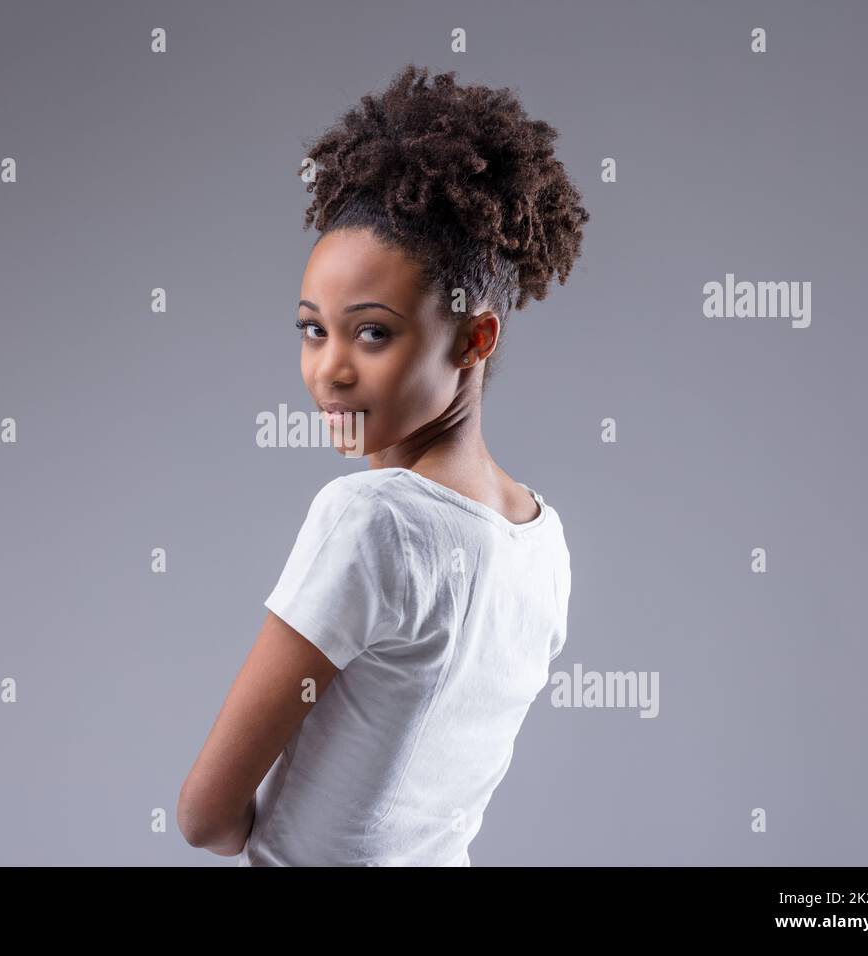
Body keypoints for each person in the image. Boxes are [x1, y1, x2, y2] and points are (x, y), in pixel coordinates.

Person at [178, 63, 588, 866]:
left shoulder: (372, 520)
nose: (329, 369)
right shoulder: (546, 542)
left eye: (371, 333)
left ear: (474, 338)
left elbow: (204, 816)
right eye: (312, 329)